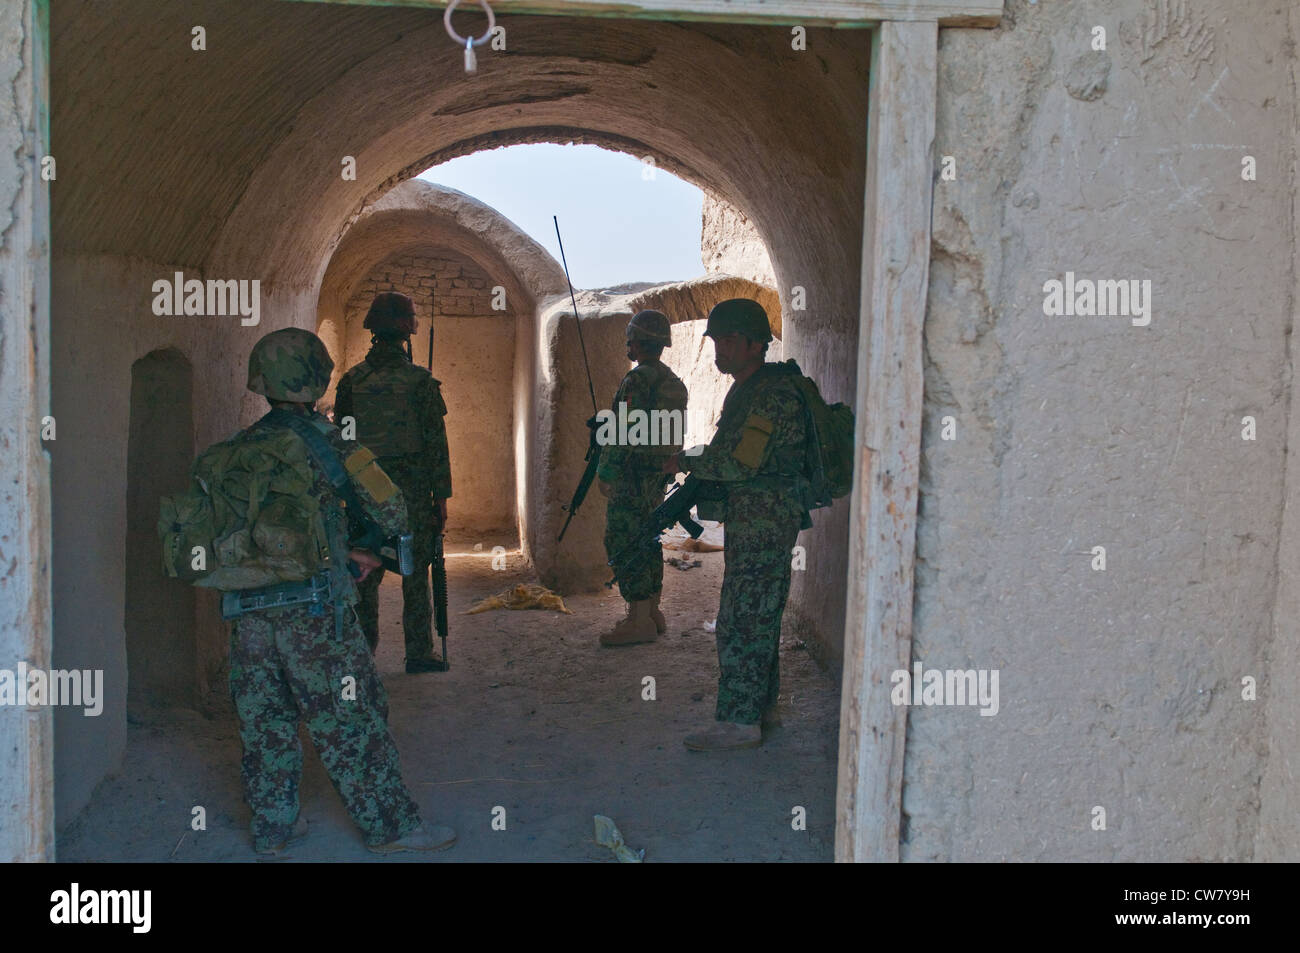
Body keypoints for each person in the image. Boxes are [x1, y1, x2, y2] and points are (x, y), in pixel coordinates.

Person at [225, 327, 454, 854]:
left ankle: (274, 827)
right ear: (318, 376)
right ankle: (393, 826)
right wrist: (364, 552)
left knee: (266, 721)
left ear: (263, 383)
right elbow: (393, 512)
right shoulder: (335, 445)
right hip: (314, 611)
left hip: (248, 611)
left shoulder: (239, 449)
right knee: (353, 716)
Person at [661, 299, 811, 751]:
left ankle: (738, 722)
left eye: (728, 340)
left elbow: (741, 461)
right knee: (757, 614)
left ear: (755, 344)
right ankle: (759, 708)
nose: (719, 349)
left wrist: (686, 458)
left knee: (743, 619)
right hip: (753, 519)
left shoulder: (772, 393)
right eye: (716, 341)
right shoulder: (746, 389)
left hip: (766, 521)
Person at [335, 292, 452, 673]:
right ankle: (419, 652)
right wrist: (441, 497)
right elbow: (436, 443)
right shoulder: (420, 382)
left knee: (364, 570)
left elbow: (344, 440)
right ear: (406, 329)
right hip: (412, 493)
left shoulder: (351, 382)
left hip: (366, 492)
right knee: (415, 570)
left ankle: (360, 655)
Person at [596, 310, 688, 647]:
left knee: (623, 541)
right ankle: (651, 612)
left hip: (631, 478)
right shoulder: (673, 382)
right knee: (648, 538)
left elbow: (622, 431)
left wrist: (606, 472)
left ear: (636, 341)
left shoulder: (637, 380)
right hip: (657, 478)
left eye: (630, 339)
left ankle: (638, 620)